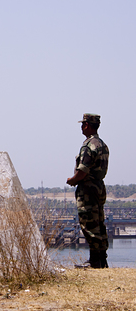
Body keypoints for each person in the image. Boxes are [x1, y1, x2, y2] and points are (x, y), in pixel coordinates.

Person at [66, 113, 109, 268]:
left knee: (89, 224)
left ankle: (95, 261)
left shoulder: (89, 145)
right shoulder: (102, 144)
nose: (81, 127)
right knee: (99, 222)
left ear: (87, 125)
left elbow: (83, 171)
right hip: (99, 187)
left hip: (88, 189)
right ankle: (101, 259)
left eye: (83, 124)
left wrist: (73, 180)